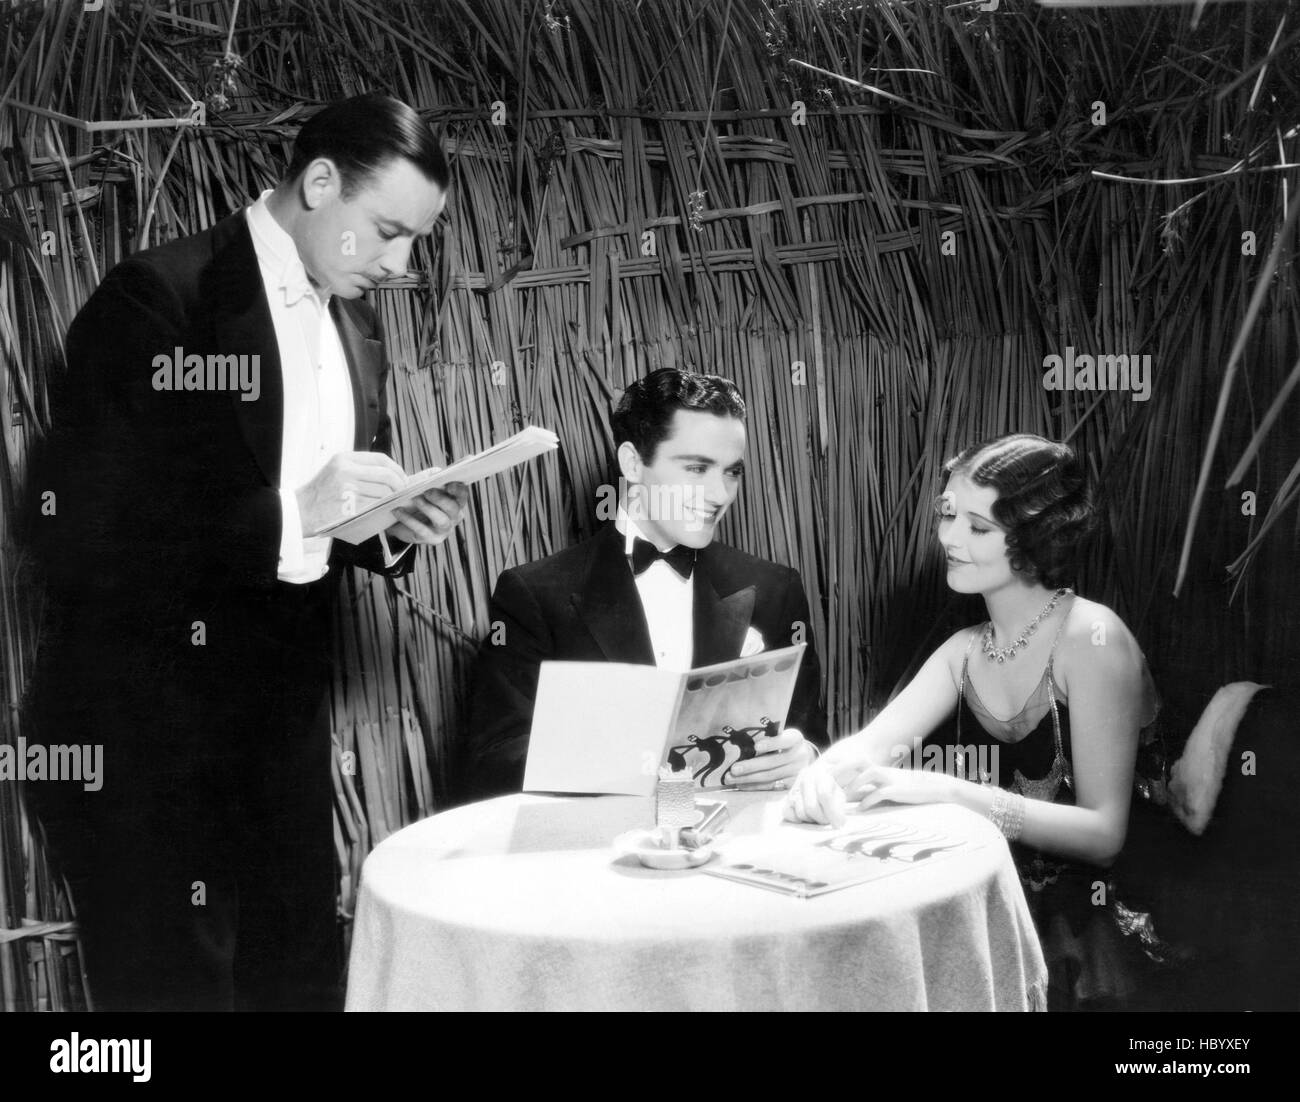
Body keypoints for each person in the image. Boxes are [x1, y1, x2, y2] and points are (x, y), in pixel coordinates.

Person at [24, 93, 468, 1011]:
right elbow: (74, 534)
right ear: (317, 183)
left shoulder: (356, 327)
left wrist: (382, 528)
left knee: (298, 976)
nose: (400, 264)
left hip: (279, 734)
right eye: (386, 231)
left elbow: (308, 528)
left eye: (415, 240)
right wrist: (289, 512)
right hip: (147, 742)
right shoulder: (159, 298)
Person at [785, 433, 1160, 1010]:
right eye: (948, 514)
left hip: (1098, 929)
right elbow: (871, 746)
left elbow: (1105, 837)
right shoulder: (964, 650)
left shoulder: (1092, 637)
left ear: (1037, 537)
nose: (949, 539)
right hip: (1000, 910)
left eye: (978, 527)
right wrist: (821, 773)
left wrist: (947, 791)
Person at [456, 368, 828, 803]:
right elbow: (490, 763)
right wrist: (629, 762)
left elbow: (813, 737)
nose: (720, 494)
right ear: (632, 462)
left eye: (733, 472)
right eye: (696, 467)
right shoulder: (536, 594)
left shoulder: (774, 589)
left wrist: (806, 757)